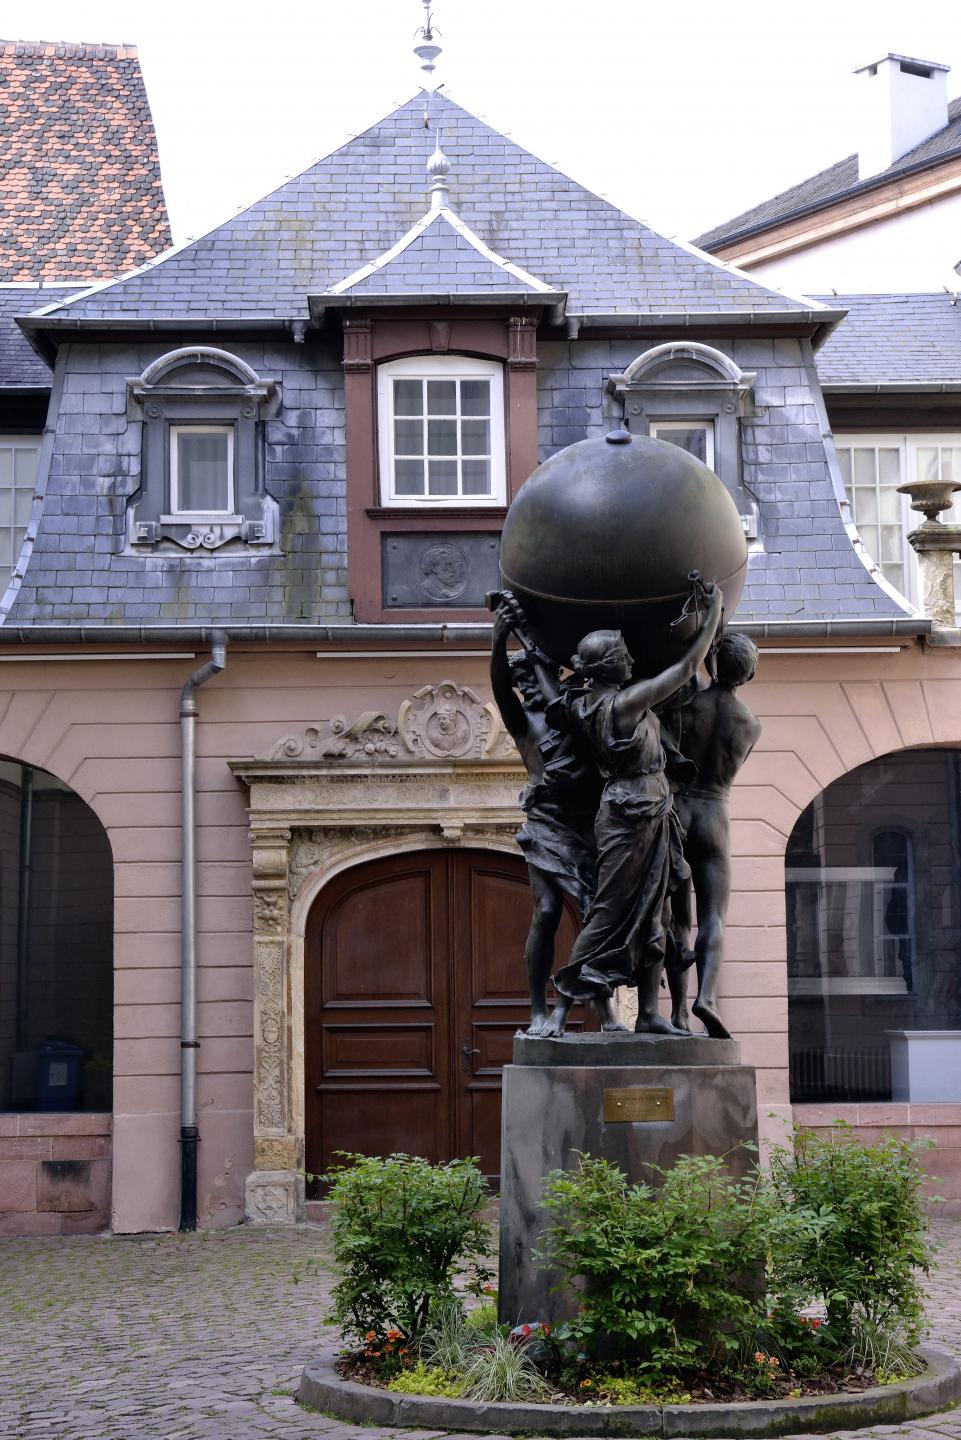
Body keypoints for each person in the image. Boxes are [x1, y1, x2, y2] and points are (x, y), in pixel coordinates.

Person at [540, 578, 724, 1036]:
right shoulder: (621, 704)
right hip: (630, 812)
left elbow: (683, 683)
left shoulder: (586, 702)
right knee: (610, 912)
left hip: (650, 810)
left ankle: (647, 1014)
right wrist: (714, 609)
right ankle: (562, 1006)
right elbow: (683, 670)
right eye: (624, 657)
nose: (633, 661)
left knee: (656, 915)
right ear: (606, 668)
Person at [489, 599, 625, 1034]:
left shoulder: (573, 715)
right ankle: (537, 1009)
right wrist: (498, 642)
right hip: (546, 824)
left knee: (594, 915)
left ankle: (603, 1009)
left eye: (533, 675)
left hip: (588, 823)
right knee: (546, 912)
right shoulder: (523, 722)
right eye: (520, 678)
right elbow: (497, 686)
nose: (526, 683)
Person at [667, 631, 761, 1039]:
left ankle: (677, 1014)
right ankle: (706, 998)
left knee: (675, 918)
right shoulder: (750, 725)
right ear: (749, 673)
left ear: (711, 662)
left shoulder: (686, 707)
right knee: (713, 917)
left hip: (678, 810)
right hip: (715, 816)